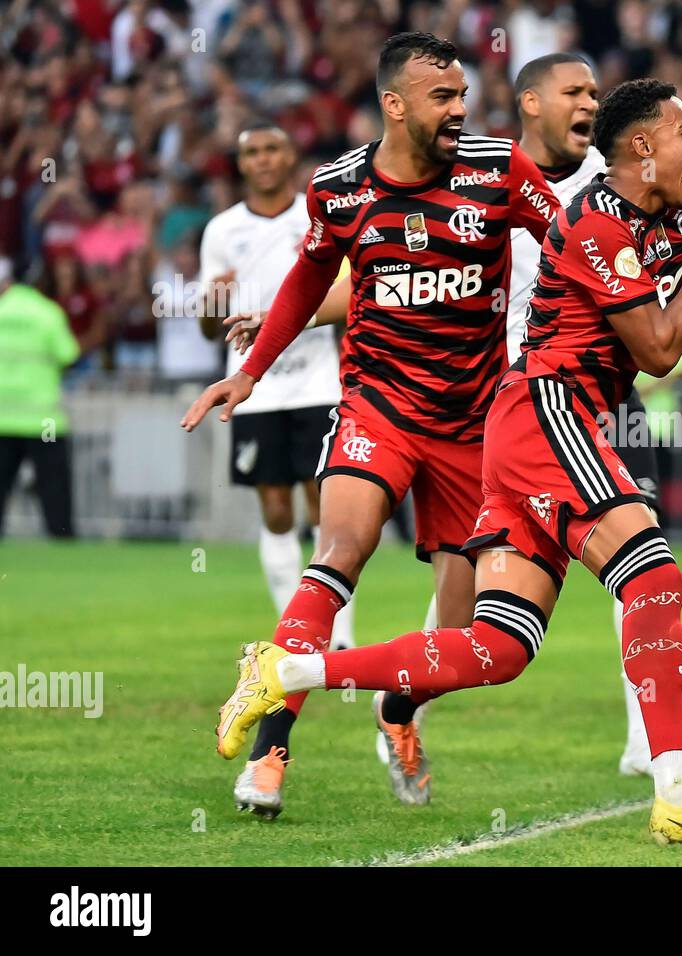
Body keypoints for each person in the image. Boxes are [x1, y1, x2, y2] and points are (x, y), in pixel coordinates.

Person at [208, 77, 682, 846]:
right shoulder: (601, 223)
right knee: (653, 575)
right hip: (548, 411)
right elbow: (660, 351)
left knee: (497, 648)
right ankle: (677, 789)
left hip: (524, 424)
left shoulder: (661, 223)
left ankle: (286, 672)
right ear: (643, 147)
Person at [182, 33, 559, 817]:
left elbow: (570, 245)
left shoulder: (499, 170)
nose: (461, 109)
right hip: (377, 409)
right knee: (338, 550)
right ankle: (270, 753)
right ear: (394, 104)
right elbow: (307, 281)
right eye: (443, 97)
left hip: (474, 428)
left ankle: (399, 714)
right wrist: (247, 374)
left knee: (464, 627)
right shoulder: (343, 190)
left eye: (463, 94)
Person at [197, 121, 355, 815]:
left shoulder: (317, 214)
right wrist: (212, 305)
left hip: (320, 384)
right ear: (241, 165)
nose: (262, 160)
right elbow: (207, 323)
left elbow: (349, 300)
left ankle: (334, 629)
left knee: (332, 512)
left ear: (291, 158)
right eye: (251, 152)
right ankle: (292, 623)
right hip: (255, 384)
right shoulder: (221, 230)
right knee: (276, 512)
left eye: (272, 149)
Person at [0, 256, 79, 538]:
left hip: (2, 418)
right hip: (42, 418)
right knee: (54, 494)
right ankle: (62, 548)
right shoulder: (48, 313)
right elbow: (68, 354)